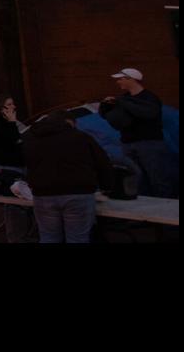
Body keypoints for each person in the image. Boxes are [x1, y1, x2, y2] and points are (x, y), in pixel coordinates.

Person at [22, 107, 117, 244]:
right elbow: (103, 163)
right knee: (77, 238)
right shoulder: (82, 137)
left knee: (48, 237)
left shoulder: (33, 139)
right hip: (78, 193)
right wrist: (106, 186)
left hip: (43, 194)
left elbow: (24, 162)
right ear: (69, 122)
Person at [98, 68, 175, 198]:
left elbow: (148, 113)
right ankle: (144, 208)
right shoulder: (123, 98)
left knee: (157, 177)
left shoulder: (149, 98)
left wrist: (122, 102)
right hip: (128, 143)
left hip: (149, 143)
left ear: (131, 79)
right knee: (137, 179)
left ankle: (165, 206)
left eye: (121, 79)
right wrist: (105, 106)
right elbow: (109, 117)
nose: (118, 82)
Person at [0, 94, 33, 240]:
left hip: (10, 164)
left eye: (13, 104)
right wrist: (12, 123)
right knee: (15, 203)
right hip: (8, 166)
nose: (13, 107)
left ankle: (21, 234)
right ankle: (16, 237)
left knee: (19, 201)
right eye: (9, 105)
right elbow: (14, 141)